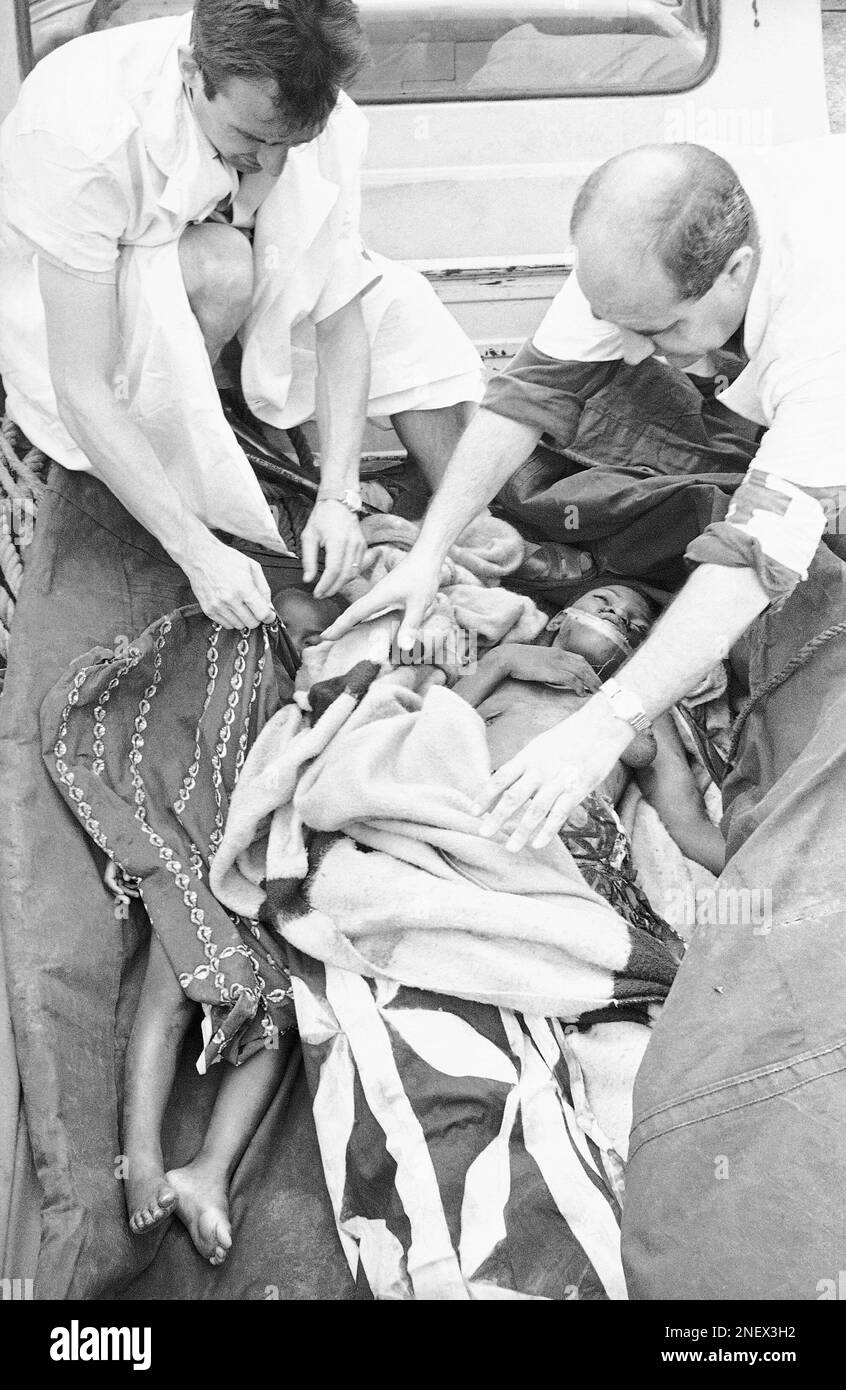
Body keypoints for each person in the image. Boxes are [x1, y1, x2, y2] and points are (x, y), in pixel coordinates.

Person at [0, 0, 481, 1299]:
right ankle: (144, 1159)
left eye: (282, 156)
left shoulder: (319, 138)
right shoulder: (79, 131)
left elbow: (338, 310)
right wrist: (206, 559)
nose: (261, 174)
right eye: (243, 146)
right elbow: (93, 384)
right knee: (176, 955)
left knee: (256, 987)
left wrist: (335, 494)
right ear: (196, 75)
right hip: (100, 389)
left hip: (270, 859)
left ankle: (195, 1168)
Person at [324, 139, 846, 1298]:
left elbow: (753, 559)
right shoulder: (639, 258)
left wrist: (613, 723)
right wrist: (435, 557)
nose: (641, 353)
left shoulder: (823, 331)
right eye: (623, 323)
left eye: (659, 332)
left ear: (736, 271)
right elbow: (532, 394)